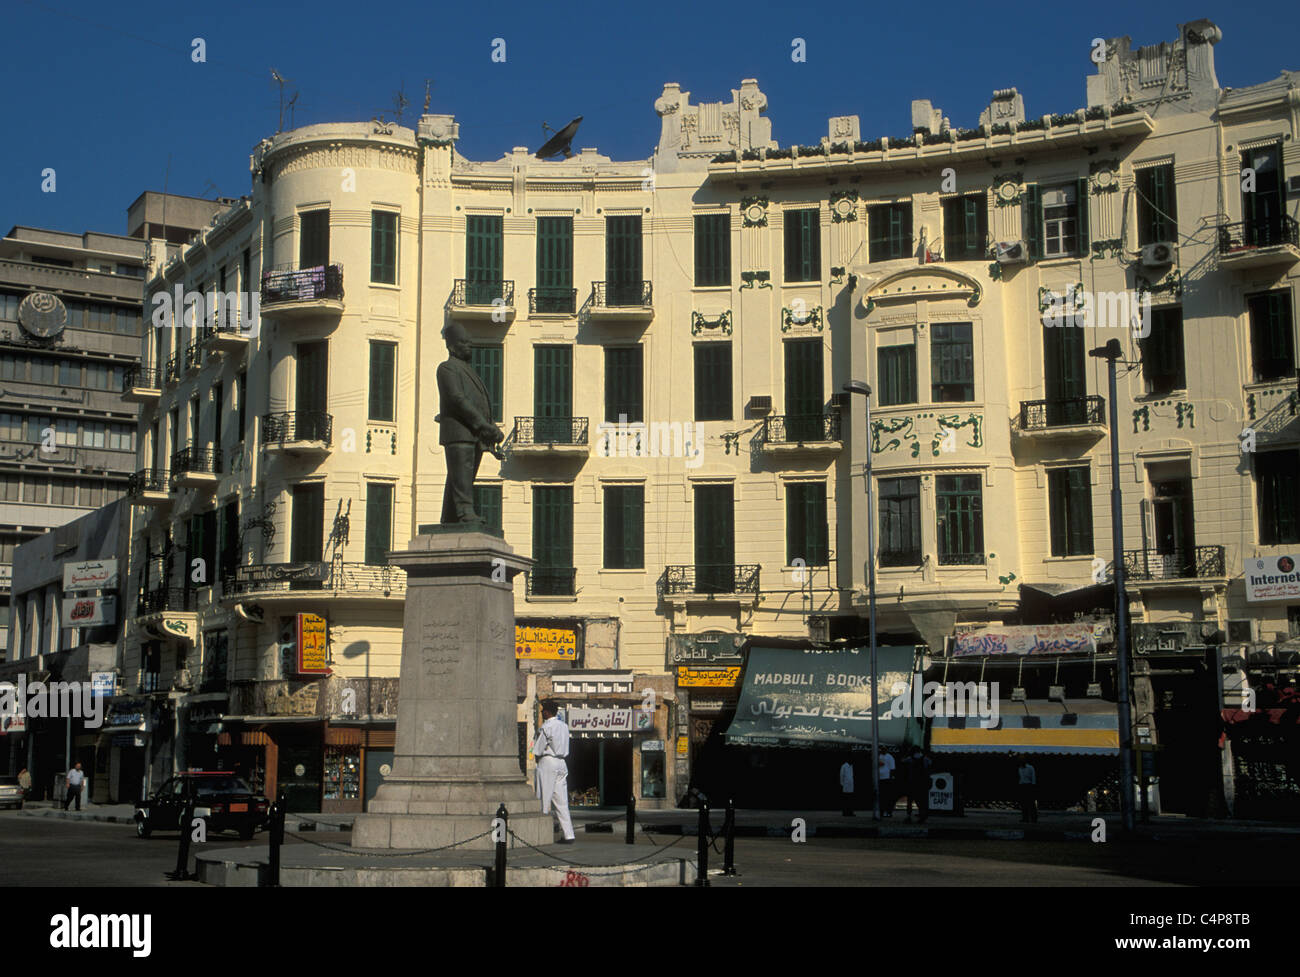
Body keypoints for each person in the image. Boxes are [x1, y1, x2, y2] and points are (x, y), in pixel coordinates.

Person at [435, 322, 505, 524]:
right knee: (461, 477)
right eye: (464, 343)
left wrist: (491, 426)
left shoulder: (467, 370)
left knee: (459, 478)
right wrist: (483, 425)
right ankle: (465, 513)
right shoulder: (447, 368)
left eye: (469, 343)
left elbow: (478, 401)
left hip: (472, 435)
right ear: (452, 346)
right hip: (458, 434)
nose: (469, 346)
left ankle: (449, 517)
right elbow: (458, 400)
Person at [533, 702, 576, 844]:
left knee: (543, 799)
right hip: (562, 762)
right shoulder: (564, 726)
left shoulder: (546, 727)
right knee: (562, 801)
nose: (541, 713)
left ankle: (541, 834)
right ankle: (569, 834)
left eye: (542, 711)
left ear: (547, 712)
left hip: (548, 761)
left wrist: (537, 755)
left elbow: (538, 748)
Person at [902, 747, 931, 823]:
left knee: (910, 801)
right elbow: (930, 764)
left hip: (912, 782)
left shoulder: (910, 759)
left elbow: (902, 761)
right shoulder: (925, 759)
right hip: (922, 783)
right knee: (921, 801)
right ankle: (922, 816)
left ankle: (908, 817)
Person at [1018, 757, 1038, 823]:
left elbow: (1033, 777)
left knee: (1031, 803)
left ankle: (1034, 819)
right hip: (1022, 786)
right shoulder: (1020, 768)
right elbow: (1021, 778)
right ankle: (1025, 818)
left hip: (1029, 786)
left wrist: (1033, 786)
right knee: (1023, 803)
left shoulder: (1030, 768)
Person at [877, 750, 896, 817]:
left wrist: (891, 778)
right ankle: (882, 811)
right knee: (881, 796)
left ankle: (889, 812)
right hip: (879, 778)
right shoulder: (879, 756)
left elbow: (892, 769)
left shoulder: (890, 757)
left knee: (887, 796)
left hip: (887, 779)